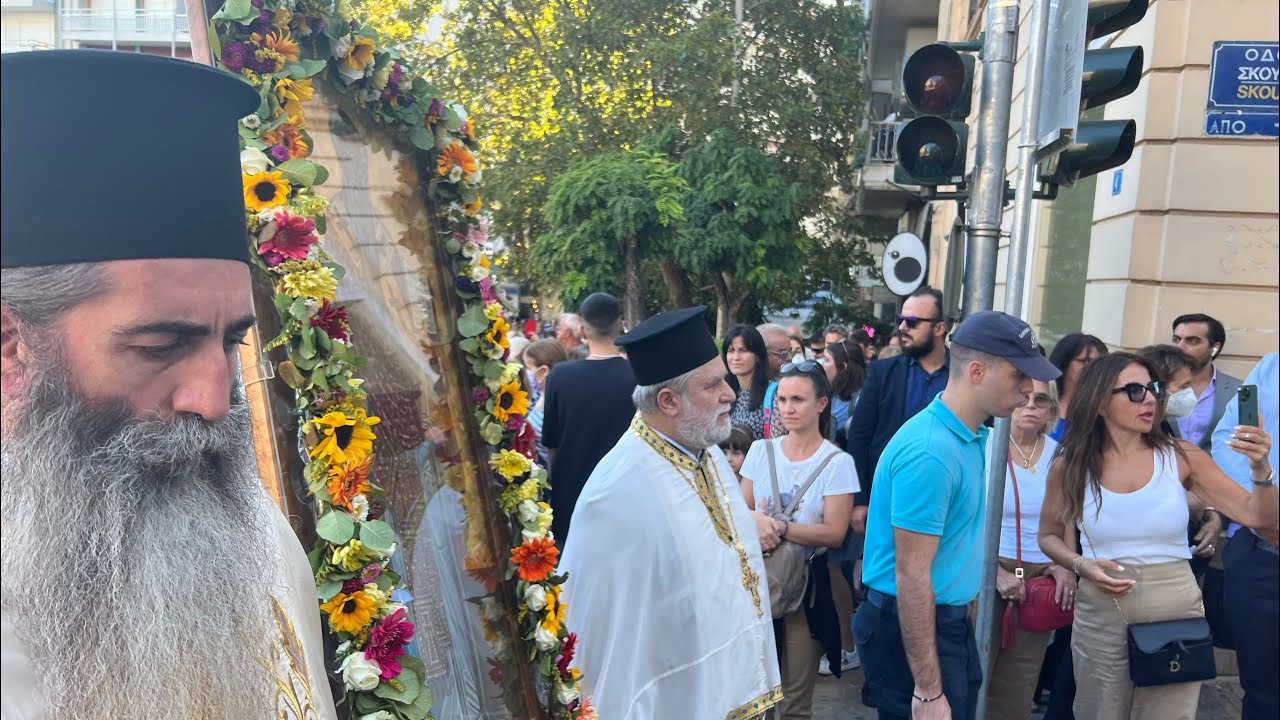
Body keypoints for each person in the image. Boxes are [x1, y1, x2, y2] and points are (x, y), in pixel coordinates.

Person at [0, 51, 337, 719]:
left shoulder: (243, 527)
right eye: (159, 347)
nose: (212, 402)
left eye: (231, 341)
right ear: (11, 347)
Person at [560, 306, 782, 718]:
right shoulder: (614, 494)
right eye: (713, 385)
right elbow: (601, 633)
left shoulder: (705, 449)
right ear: (669, 401)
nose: (730, 394)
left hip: (729, 687)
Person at [1037, 352, 1277, 720]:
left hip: (1175, 608)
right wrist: (1081, 564)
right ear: (1100, 401)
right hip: (1104, 607)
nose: (1150, 399)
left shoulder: (1183, 457)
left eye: (1154, 389)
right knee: (1099, 710)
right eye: (1134, 391)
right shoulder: (1071, 463)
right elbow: (1049, 536)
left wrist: (1261, 467)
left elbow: (1257, 515)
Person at [855, 311, 1061, 720]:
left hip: (938, 621)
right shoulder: (933, 450)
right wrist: (929, 691)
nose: (1028, 391)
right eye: (1020, 376)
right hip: (913, 623)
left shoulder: (965, 437)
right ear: (978, 371)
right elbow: (911, 575)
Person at [739, 361, 858, 720]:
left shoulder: (837, 462)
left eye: (798, 400)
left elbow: (835, 534)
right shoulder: (761, 451)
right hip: (758, 581)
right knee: (752, 692)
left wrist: (775, 526)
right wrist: (757, 523)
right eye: (782, 400)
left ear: (822, 404)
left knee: (795, 698)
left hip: (808, 587)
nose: (787, 409)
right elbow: (741, 516)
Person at [984, 379, 1078, 720]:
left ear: (1052, 408)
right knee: (975, 676)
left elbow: (1067, 517)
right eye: (1023, 398)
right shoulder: (986, 446)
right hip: (988, 572)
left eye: (1040, 399)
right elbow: (966, 519)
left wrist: (1066, 565)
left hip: (1039, 581)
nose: (1030, 406)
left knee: (1019, 687)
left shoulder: (1059, 453)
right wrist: (993, 572)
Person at [847, 286, 950, 536]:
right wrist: (860, 499)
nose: (903, 327)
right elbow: (860, 436)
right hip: (888, 496)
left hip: (945, 498)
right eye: (900, 320)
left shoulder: (962, 374)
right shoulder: (883, 372)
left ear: (939, 328)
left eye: (912, 322)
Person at [1211, 352, 1279, 720]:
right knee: (1263, 691)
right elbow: (1229, 438)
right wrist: (1261, 507)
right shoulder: (1270, 367)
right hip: (1262, 555)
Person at [541, 293, 637, 543]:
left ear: (583, 329)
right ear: (621, 326)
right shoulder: (639, 376)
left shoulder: (560, 376)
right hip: (627, 499)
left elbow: (551, 444)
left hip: (572, 497)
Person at [1170, 313, 1242, 453]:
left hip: (1216, 471)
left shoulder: (1237, 391)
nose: (1180, 347)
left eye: (1193, 341)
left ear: (1214, 347)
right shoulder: (1157, 385)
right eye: (1176, 339)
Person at [1046, 333, 1109, 440]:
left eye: (1098, 363)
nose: (1092, 368)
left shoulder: (1104, 413)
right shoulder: (1041, 406)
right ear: (1065, 362)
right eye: (1085, 361)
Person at [521, 338, 570, 467]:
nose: (527, 373)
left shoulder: (557, 402)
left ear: (544, 371)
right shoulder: (539, 395)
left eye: (529, 367)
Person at [723, 324, 770, 440]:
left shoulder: (773, 394)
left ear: (758, 356)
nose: (736, 357)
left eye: (743, 350)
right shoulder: (724, 394)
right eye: (731, 350)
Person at [822, 338, 867, 445]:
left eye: (826, 360)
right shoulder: (828, 392)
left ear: (842, 367)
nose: (821, 364)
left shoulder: (861, 399)